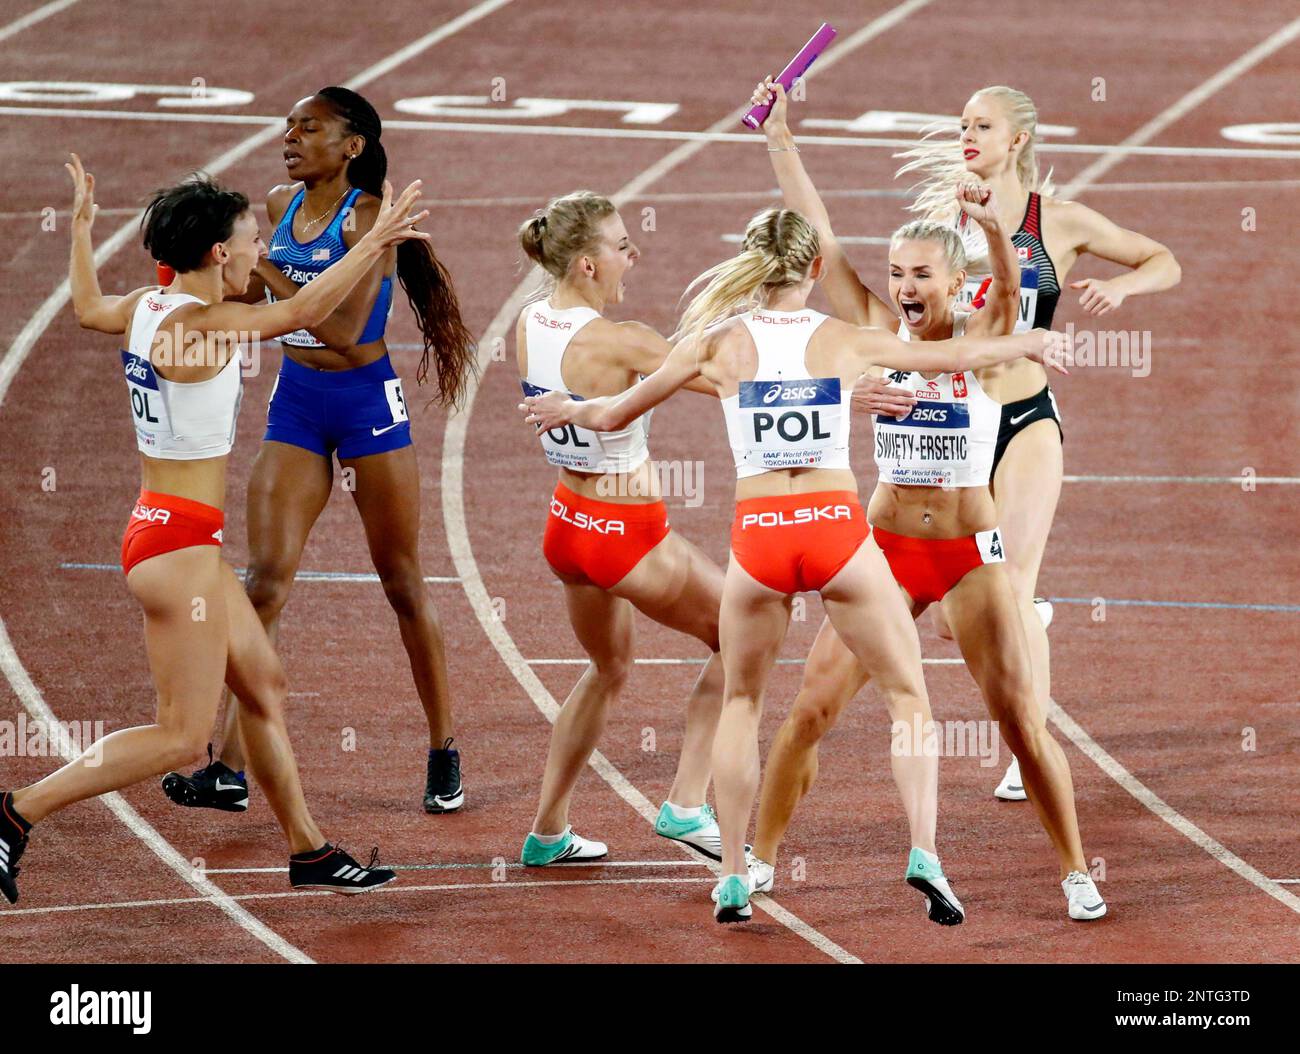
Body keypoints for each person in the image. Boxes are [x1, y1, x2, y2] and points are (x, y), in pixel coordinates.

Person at [522, 204, 1063, 923]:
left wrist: (569, 407)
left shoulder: (714, 345)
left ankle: (737, 873)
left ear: (751, 266)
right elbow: (955, 356)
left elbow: (615, 413)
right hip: (838, 534)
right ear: (814, 269)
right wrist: (1029, 338)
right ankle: (925, 852)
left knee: (745, 702)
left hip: (760, 541)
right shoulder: (847, 340)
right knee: (908, 698)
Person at [0, 157, 426, 906]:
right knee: (180, 738)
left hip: (174, 537)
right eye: (253, 238)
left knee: (264, 686)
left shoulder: (147, 304)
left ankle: (310, 850)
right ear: (220, 252)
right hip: (177, 553)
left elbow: (86, 308)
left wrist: (79, 230)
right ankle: (15, 810)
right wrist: (374, 240)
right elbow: (300, 315)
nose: (263, 250)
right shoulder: (201, 323)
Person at [747, 80, 1107, 921]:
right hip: (881, 551)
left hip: (967, 556)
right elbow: (824, 243)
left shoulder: (983, 337)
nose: (906, 287)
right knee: (810, 709)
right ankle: (756, 861)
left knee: (1019, 718)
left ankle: (1076, 870)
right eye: (898, 274)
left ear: (955, 282)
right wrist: (780, 141)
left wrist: (989, 226)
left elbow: (1016, 295)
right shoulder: (875, 326)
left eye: (922, 276)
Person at [160, 87, 477, 817]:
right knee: (263, 583)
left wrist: (268, 272)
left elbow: (344, 332)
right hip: (298, 403)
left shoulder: (367, 219)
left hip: (365, 403)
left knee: (401, 582)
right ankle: (231, 767)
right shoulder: (276, 205)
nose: (291, 136)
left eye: (310, 127)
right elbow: (253, 303)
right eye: (289, 127)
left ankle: (443, 747)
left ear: (352, 146)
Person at [896, 83, 1180, 800]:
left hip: (1023, 420)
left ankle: (1028, 749)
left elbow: (1162, 258)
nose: (966, 135)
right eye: (961, 123)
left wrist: (1123, 293)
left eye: (981, 125)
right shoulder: (943, 226)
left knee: (1014, 591)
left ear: (1016, 139)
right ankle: (1030, 619)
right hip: (955, 431)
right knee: (962, 624)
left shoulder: (1061, 221)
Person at [514, 191, 729, 865]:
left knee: (607, 668)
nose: (633, 255)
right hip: (626, 535)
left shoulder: (527, 322)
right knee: (744, 633)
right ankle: (687, 805)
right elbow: (728, 381)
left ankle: (548, 830)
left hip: (567, 530)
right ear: (585, 264)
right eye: (621, 245)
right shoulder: (623, 339)